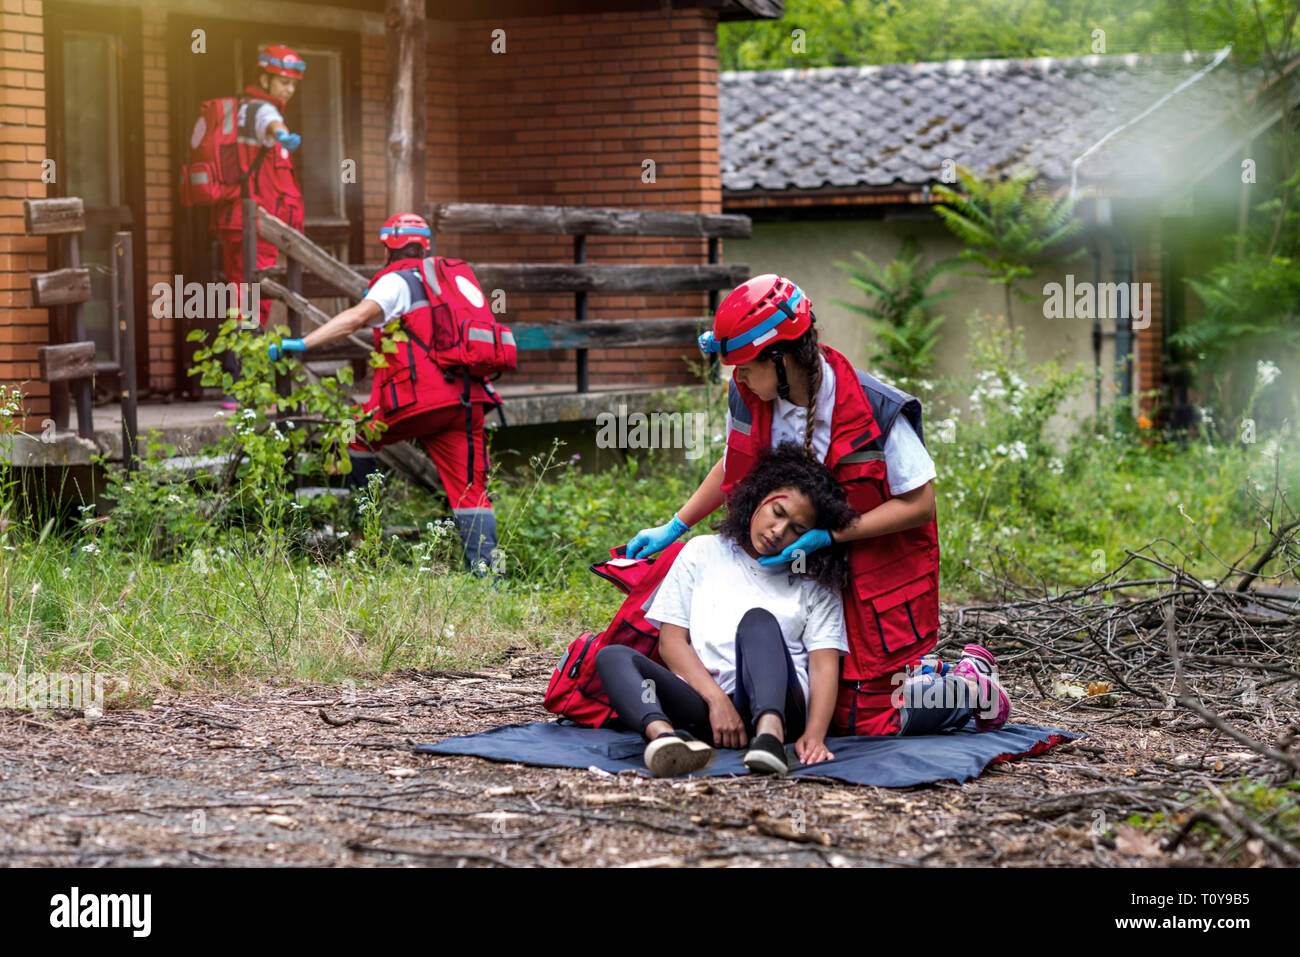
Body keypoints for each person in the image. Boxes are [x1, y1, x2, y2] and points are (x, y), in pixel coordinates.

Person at [624, 274, 1010, 738]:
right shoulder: (750, 395)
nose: (738, 377)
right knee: (800, 696)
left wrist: (830, 536)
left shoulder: (874, 406)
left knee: (862, 719)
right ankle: (924, 671)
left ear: (780, 357)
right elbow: (732, 464)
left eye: (745, 365)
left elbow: (920, 505)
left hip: (869, 572)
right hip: (797, 576)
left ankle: (968, 689)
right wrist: (674, 525)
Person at [596, 443, 854, 777]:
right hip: (708, 708)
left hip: (781, 706)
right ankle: (666, 741)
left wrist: (815, 735)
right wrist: (717, 702)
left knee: (757, 621)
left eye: (798, 530)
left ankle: (769, 739)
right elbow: (671, 643)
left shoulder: (813, 581)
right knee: (613, 656)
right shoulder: (701, 552)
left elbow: (823, 667)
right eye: (778, 513)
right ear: (759, 498)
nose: (779, 532)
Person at [268, 213, 500, 576]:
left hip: (419, 401)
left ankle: (368, 542)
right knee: (470, 491)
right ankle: (489, 577)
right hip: (468, 400)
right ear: (424, 244)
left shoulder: (396, 281)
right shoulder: (453, 283)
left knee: (350, 437)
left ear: (389, 245)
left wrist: (303, 343)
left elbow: (357, 318)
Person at [215, 44, 306, 409]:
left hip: (240, 220)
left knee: (242, 298)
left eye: (293, 83)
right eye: (283, 81)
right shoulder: (261, 109)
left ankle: (237, 384)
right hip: (257, 224)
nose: (289, 89)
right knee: (253, 301)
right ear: (264, 76)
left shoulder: (242, 110)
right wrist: (282, 134)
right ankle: (241, 387)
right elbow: (272, 122)